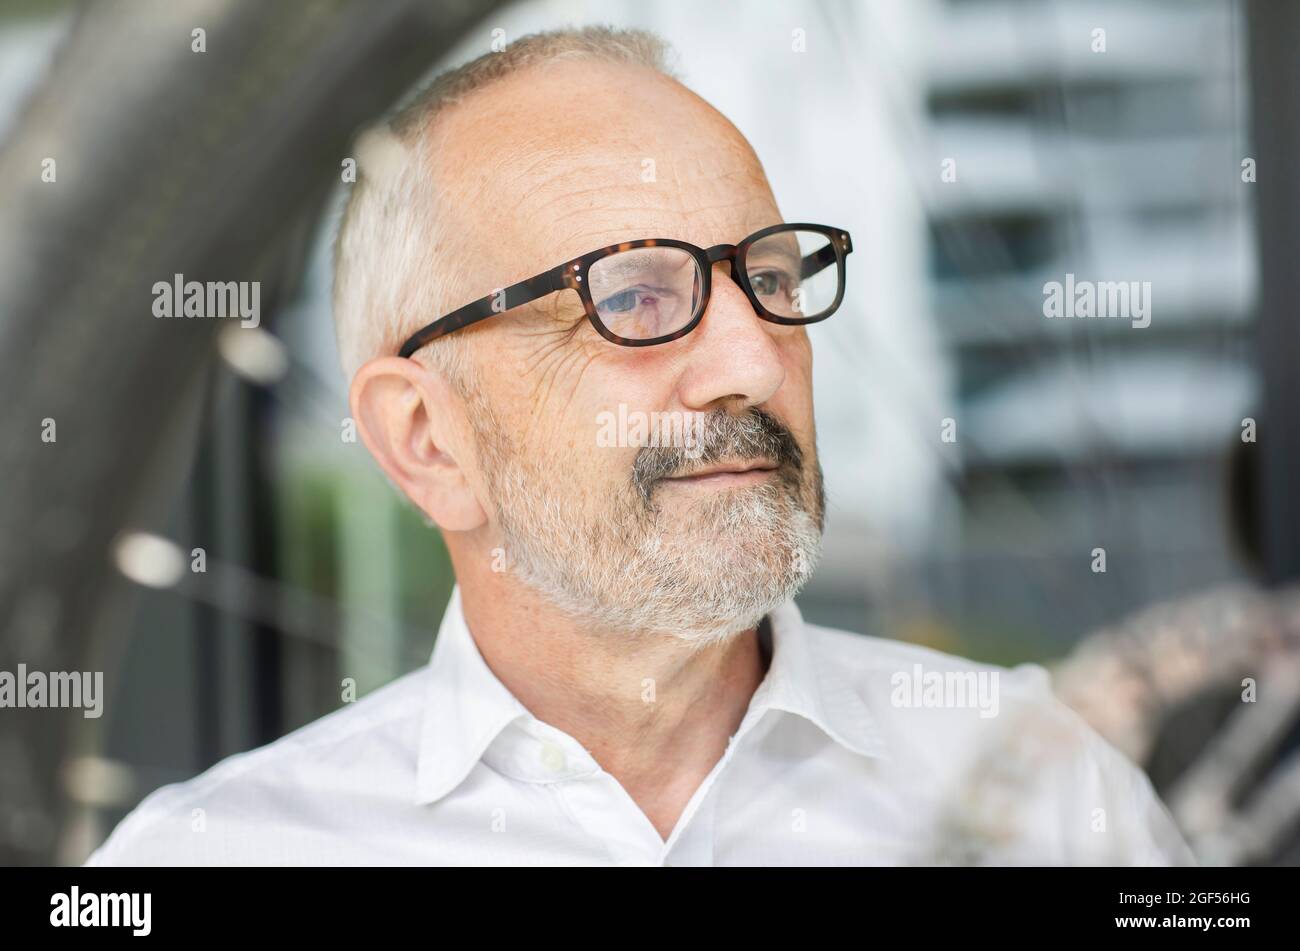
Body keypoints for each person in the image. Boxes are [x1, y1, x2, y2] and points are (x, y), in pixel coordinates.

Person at [87, 25, 1192, 866]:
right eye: (633, 295)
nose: (755, 364)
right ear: (426, 438)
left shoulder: (1049, 797)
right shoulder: (214, 854)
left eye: (766, 279)